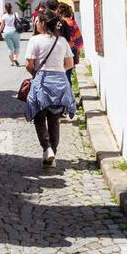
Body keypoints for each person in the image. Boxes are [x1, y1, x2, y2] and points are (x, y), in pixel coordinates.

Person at [24, 10, 76, 167]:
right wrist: (58, 70)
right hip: (60, 83)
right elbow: (69, 64)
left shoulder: (35, 40)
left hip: (43, 82)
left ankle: (47, 148)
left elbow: (29, 64)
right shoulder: (62, 41)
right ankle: (51, 155)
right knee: (54, 120)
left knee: (39, 117)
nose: (37, 24)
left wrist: (36, 73)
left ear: (43, 23)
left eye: (38, 21)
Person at [0, 2, 22, 66]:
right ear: (11, 7)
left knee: (10, 48)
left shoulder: (4, 16)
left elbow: (2, 26)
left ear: (5, 9)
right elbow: (19, 22)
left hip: (6, 33)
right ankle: (15, 58)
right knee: (17, 47)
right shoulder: (15, 14)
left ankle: (12, 62)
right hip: (15, 32)